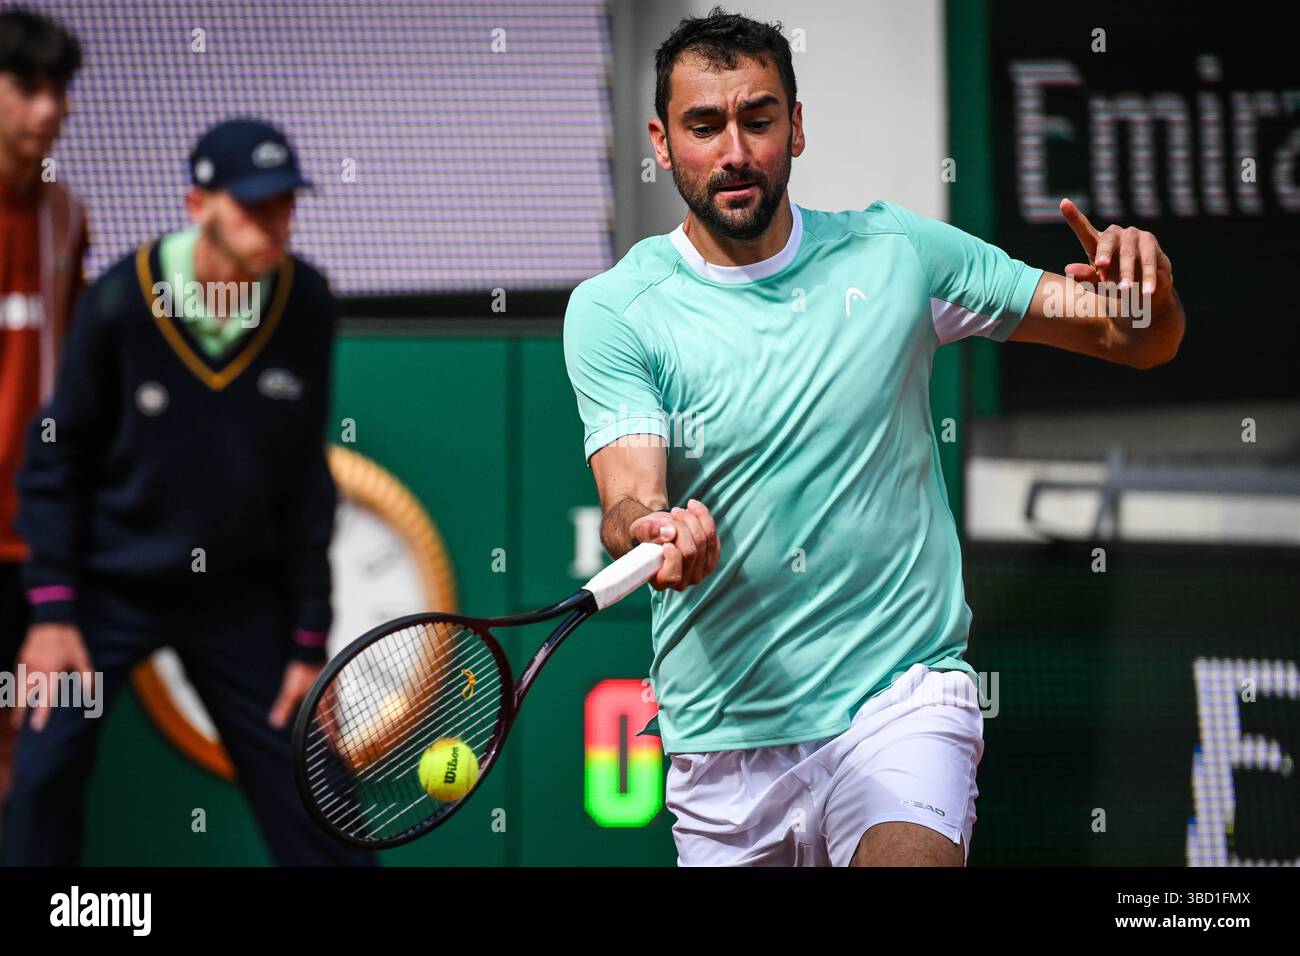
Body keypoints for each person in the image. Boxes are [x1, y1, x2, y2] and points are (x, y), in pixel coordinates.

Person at [562, 7, 1184, 867]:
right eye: (705, 126)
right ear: (663, 144)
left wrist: (1141, 288)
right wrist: (652, 530)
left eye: (759, 118)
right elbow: (629, 495)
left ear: (798, 126)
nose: (735, 151)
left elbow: (1137, 339)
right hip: (724, 742)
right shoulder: (615, 309)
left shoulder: (900, 255)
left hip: (899, 700)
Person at [4, 117, 375, 866]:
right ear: (196, 205)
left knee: (318, 787)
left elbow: (307, 480)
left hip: (240, 598)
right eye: (252, 206)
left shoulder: (306, 303)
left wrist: (307, 642)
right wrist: (50, 611)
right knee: (40, 778)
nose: (274, 223)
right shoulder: (119, 302)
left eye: (285, 205)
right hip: (107, 591)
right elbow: (55, 459)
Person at [0, 7, 86, 824]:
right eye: (27, 88)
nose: (48, 109)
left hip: (37, 540)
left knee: (31, 767)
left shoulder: (66, 216)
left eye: (57, 91)